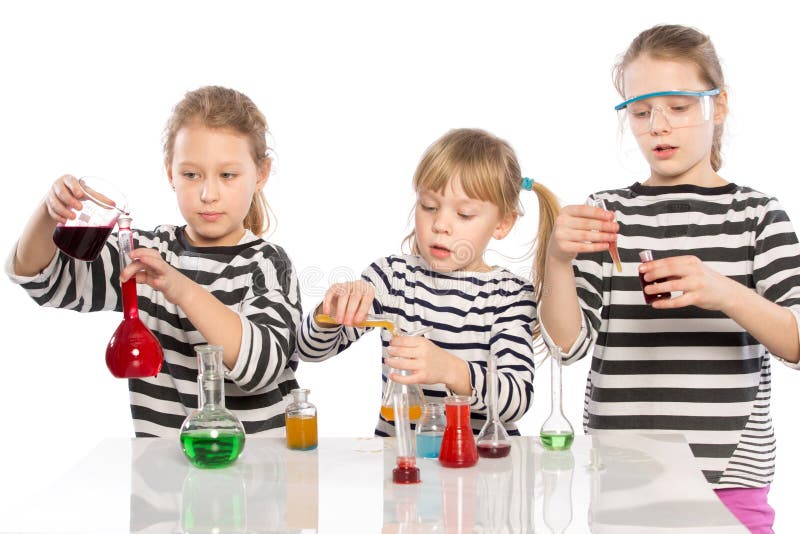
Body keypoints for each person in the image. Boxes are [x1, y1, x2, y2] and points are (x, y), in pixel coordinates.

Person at [540, 24, 800, 533]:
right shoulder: (607, 213)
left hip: (727, 478)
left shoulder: (757, 215)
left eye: (678, 107)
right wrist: (556, 260)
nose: (658, 126)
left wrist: (722, 290)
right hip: (619, 473)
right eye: (640, 111)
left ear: (718, 106)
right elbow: (567, 348)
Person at [6, 86, 302, 437]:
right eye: (191, 175)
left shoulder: (267, 263)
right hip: (163, 480)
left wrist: (181, 288)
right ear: (170, 173)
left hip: (258, 478)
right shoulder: (146, 253)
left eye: (228, 175)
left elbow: (260, 368)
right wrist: (48, 212)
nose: (208, 194)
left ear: (261, 175)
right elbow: (43, 280)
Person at [297, 128, 560, 436]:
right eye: (429, 207)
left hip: (484, 471)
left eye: (464, 214)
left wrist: (448, 369)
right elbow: (309, 350)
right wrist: (329, 313)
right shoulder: (391, 280)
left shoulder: (509, 296)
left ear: (502, 223)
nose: (440, 225)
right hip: (404, 466)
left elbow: (516, 399)